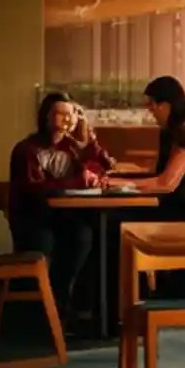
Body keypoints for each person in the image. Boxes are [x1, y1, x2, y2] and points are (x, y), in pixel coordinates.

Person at [8, 93, 112, 317]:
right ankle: (40, 310)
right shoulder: (27, 149)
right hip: (34, 218)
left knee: (85, 236)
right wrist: (78, 180)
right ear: (46, 117)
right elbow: (35, 189)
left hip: (66, 215)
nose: (68, 119)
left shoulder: (74, 148)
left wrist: (90, 142)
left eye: (72, 114)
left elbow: (106, 165)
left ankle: (66, 304)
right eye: (60, 114)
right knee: (43, 243)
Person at [107, 76, 185, 221]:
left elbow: (166, 184)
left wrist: (116, 183)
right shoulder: (170, 131)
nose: (148, 109)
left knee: (108, 218)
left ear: (166, 105)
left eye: (151, 103)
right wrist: (113, 178)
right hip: (175, 206)